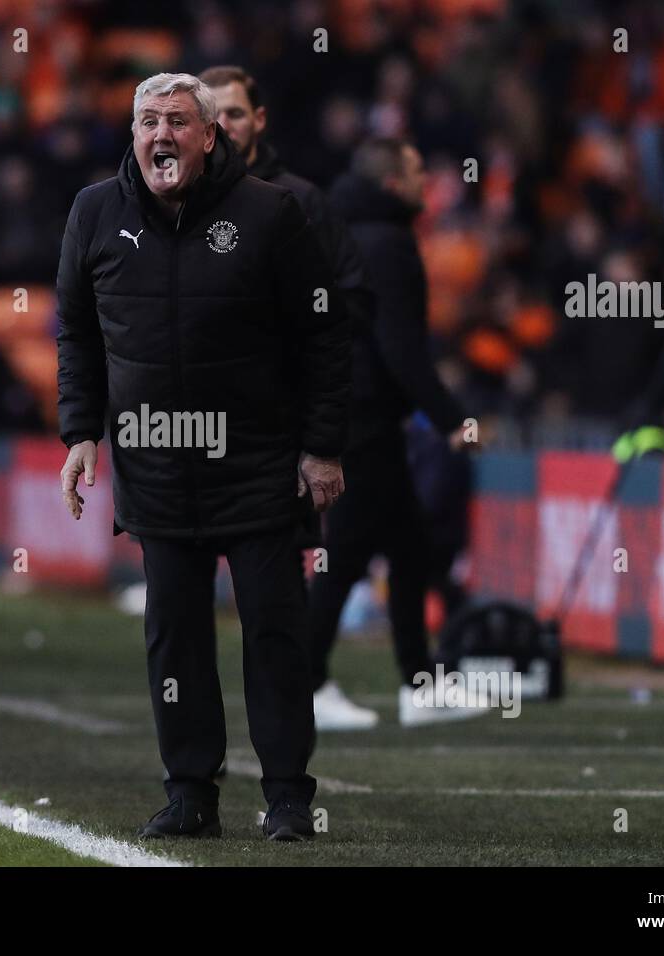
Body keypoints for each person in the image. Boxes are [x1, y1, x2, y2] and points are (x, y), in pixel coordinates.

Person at [56, 73, 350, 841]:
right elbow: (76, 334)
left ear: (210, 136)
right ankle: (190, 793)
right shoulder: (93, 212)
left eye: (178, 122)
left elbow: (323, 334)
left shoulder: (270, 212)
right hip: (155, 465)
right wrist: (80, 431)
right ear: (132, 134)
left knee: (275, 634)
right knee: (175, 638)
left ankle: (288, 797)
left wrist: (321, 446)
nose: (162, 135)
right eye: (148, 121)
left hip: (258, 463)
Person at [201, 63, 378, 732]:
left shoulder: (301, 201)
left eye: (235, 112)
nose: (224, 125)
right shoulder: (169, 198)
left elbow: (351, 306)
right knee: (182, 603)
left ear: (259, 119)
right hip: (190, 433)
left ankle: (291, 728)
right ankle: (193, 761)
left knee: (276, 592)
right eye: (212, 114)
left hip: (275, 431)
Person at [306, 137, 482, 728]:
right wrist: (452, 418)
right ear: (391, 183)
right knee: (347, 554)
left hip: (349, 409)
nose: (424, 178)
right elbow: (401, 345)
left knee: (409, 549)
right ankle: (306, 682)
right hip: (366, 418)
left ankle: (418, 683)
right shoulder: (388, 243)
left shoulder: (346, 231)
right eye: (414, 169)